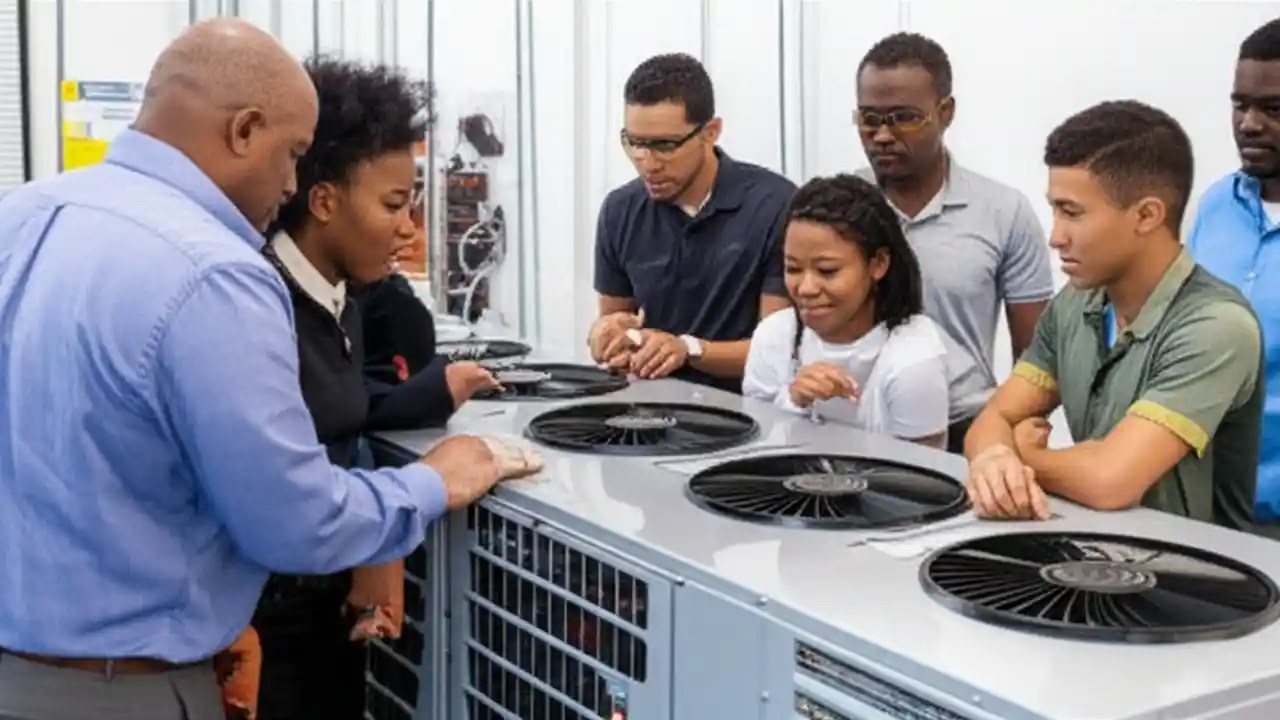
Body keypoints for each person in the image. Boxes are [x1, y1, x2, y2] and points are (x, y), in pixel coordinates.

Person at [0, 19, 538, 720]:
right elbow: (294, 523)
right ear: (245, 130)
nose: (290, 184)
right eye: (292, 154)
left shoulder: (23, 212)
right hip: (118, 689)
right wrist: (431, 483)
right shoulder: (216, 271)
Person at [253, 56, 502, 719]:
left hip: (327, 610)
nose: (409, 228)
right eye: (394, 204)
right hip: (261, 640)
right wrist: (421, 492)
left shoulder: (345, 304)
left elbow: (340, 428)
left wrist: (380, 544)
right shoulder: (256, 308)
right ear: (325, 200)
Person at [963, 100, 1264, 532]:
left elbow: (1110, 481)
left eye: (1072, 212)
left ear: (1146, 215)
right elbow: (992, 420)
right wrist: (994, 456)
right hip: (1096, 561)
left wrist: (1024, 458)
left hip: (1196, 586)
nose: (1055, 236)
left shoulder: (1216, 326)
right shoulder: (1075, 302)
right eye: (1054, 210)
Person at [855, 32, 1055, 452]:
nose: (883, 135)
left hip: (967, 426)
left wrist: (1011, 437)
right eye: (869, 119)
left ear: (945, 112)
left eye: (904, 117)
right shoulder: (841, 208)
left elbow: (1036, 360)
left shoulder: (1003, 212)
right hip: (855, 420)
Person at [588, 53, 796, 393]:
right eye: (634, 144)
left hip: (748, 415)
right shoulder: (619, 210)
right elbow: (615, 322)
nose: (646, 163)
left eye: (665, 146)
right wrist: (606, 336)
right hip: (647, 412)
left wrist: (688, 349)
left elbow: (777, 354)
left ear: (710, 132)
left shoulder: (776, 207)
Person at [743, 174, 958, 448]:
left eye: (827, 271)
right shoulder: (775, 335)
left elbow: (920, 481)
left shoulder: (914, 359)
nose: (806, 288)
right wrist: (792, 400)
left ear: (878, 264)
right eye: (793, 269)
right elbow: (751, 451)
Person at [1186, 18, 1280, 532]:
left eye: (1273, 109)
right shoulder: (1216, 205)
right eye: (1240, 104)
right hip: (1206, 506)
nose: (1248, 123)